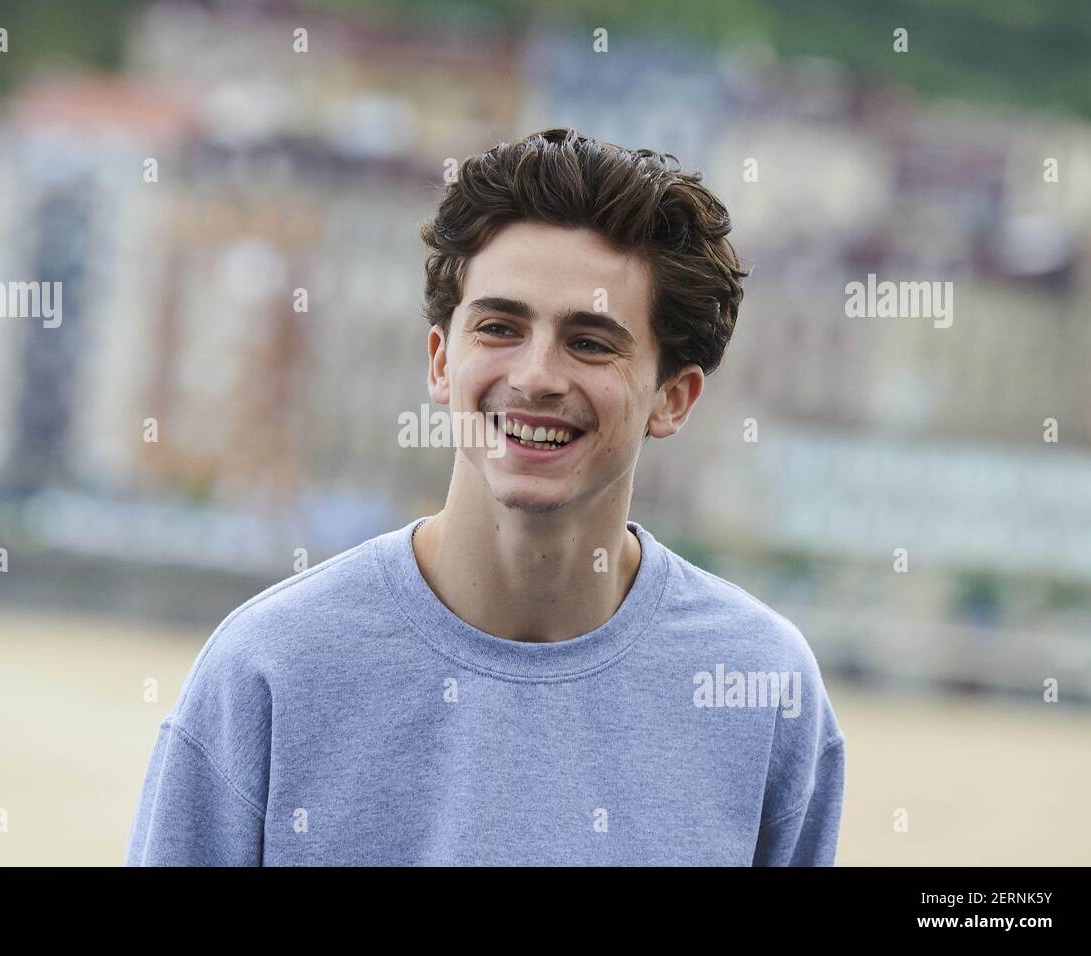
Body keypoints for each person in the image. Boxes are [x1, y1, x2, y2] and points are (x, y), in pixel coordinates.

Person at [126, 127, 845, 866]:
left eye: (591, 341)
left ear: (673, 398)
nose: (536, 376)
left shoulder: (761, 688)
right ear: (442, 361)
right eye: (500, 327)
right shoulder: (267, 671)